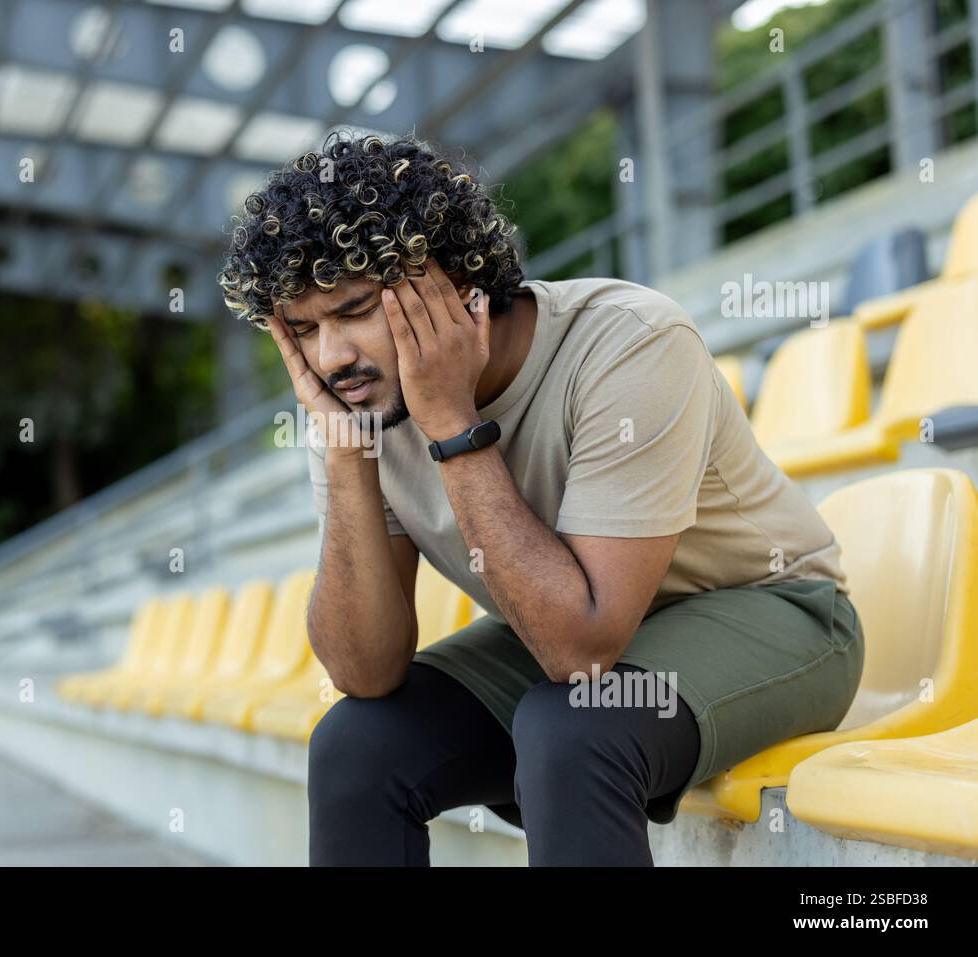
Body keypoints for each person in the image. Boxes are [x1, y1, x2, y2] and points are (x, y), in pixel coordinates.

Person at [216, 131, 864, 866]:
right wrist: (346, 458)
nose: (332, 358)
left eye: (357, 309)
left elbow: (579, 651)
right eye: (304, 329)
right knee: (354, 743)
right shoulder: (360, 404)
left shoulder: (629, 340)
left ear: (456, 279)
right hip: (578, 640)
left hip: (775, 612)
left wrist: (454, 425)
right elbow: (365, 671)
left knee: (573, 723)